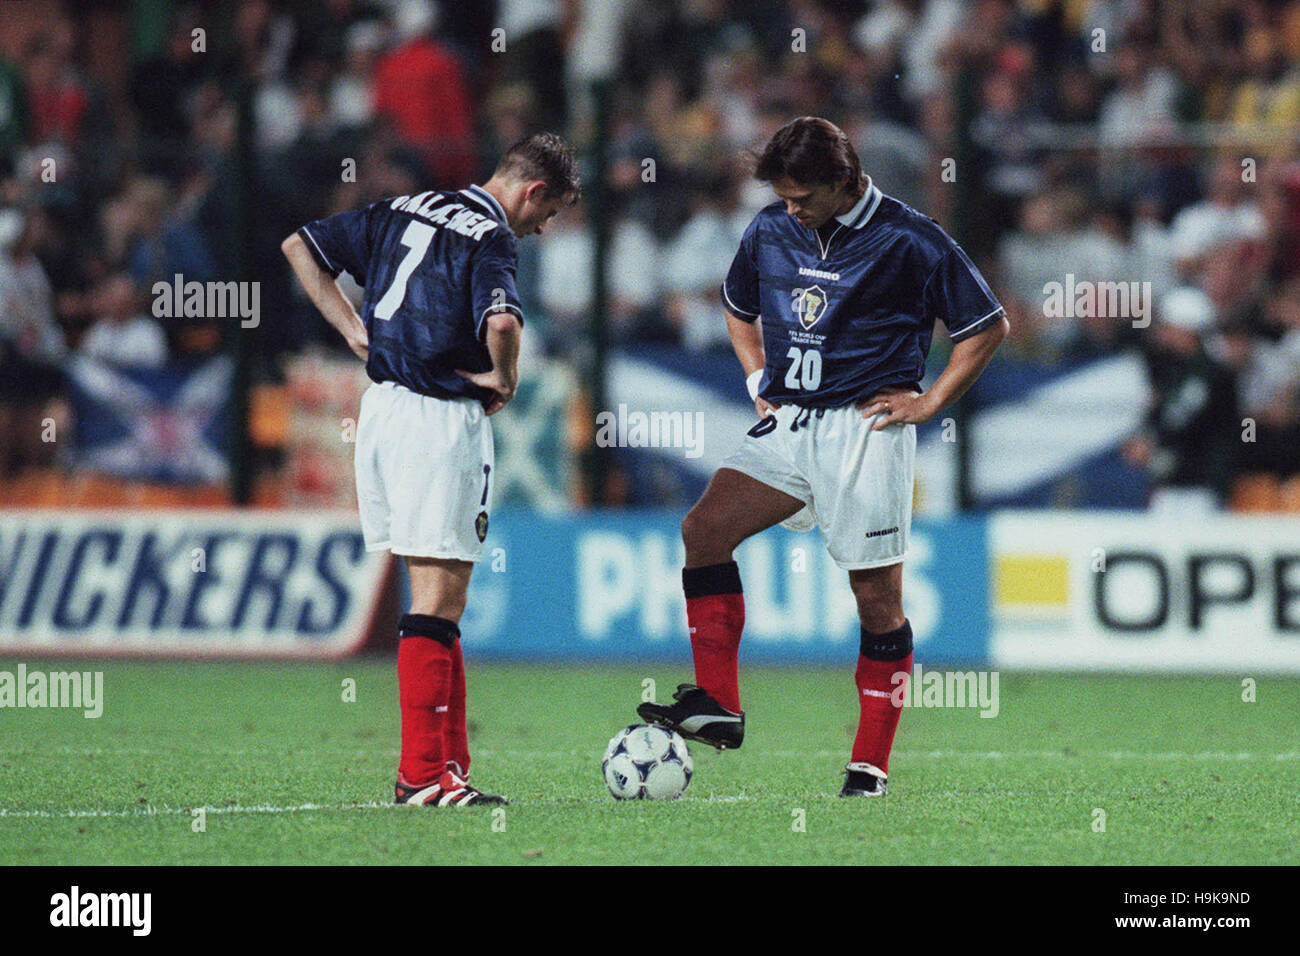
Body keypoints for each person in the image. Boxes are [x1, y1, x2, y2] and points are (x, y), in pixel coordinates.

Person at [637, 117, 1009, 797]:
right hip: (791, 421)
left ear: (844, 181)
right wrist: (756, 381)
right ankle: (720, 704)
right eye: (783, 197)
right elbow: (738, 308)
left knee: (875, 601)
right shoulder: (771, 229)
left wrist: (929, 404)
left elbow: (986, 327)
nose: (791, 209)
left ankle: (868, 766)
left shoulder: (911, 238)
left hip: (865, 430)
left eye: (802, 197)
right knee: (704, 530)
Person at [282, 133, 579, 806]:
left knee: (433, 593)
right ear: (531, 192)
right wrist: (503, 381)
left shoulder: (403, 206)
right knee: (439, 597)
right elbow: (502, 323)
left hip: (382, 410)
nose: (542, 229)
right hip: (440, 418)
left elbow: (300, 246)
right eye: (549, 213)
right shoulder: (492, 236)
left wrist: (351, 326)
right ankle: (421, 776)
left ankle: (449, 769)